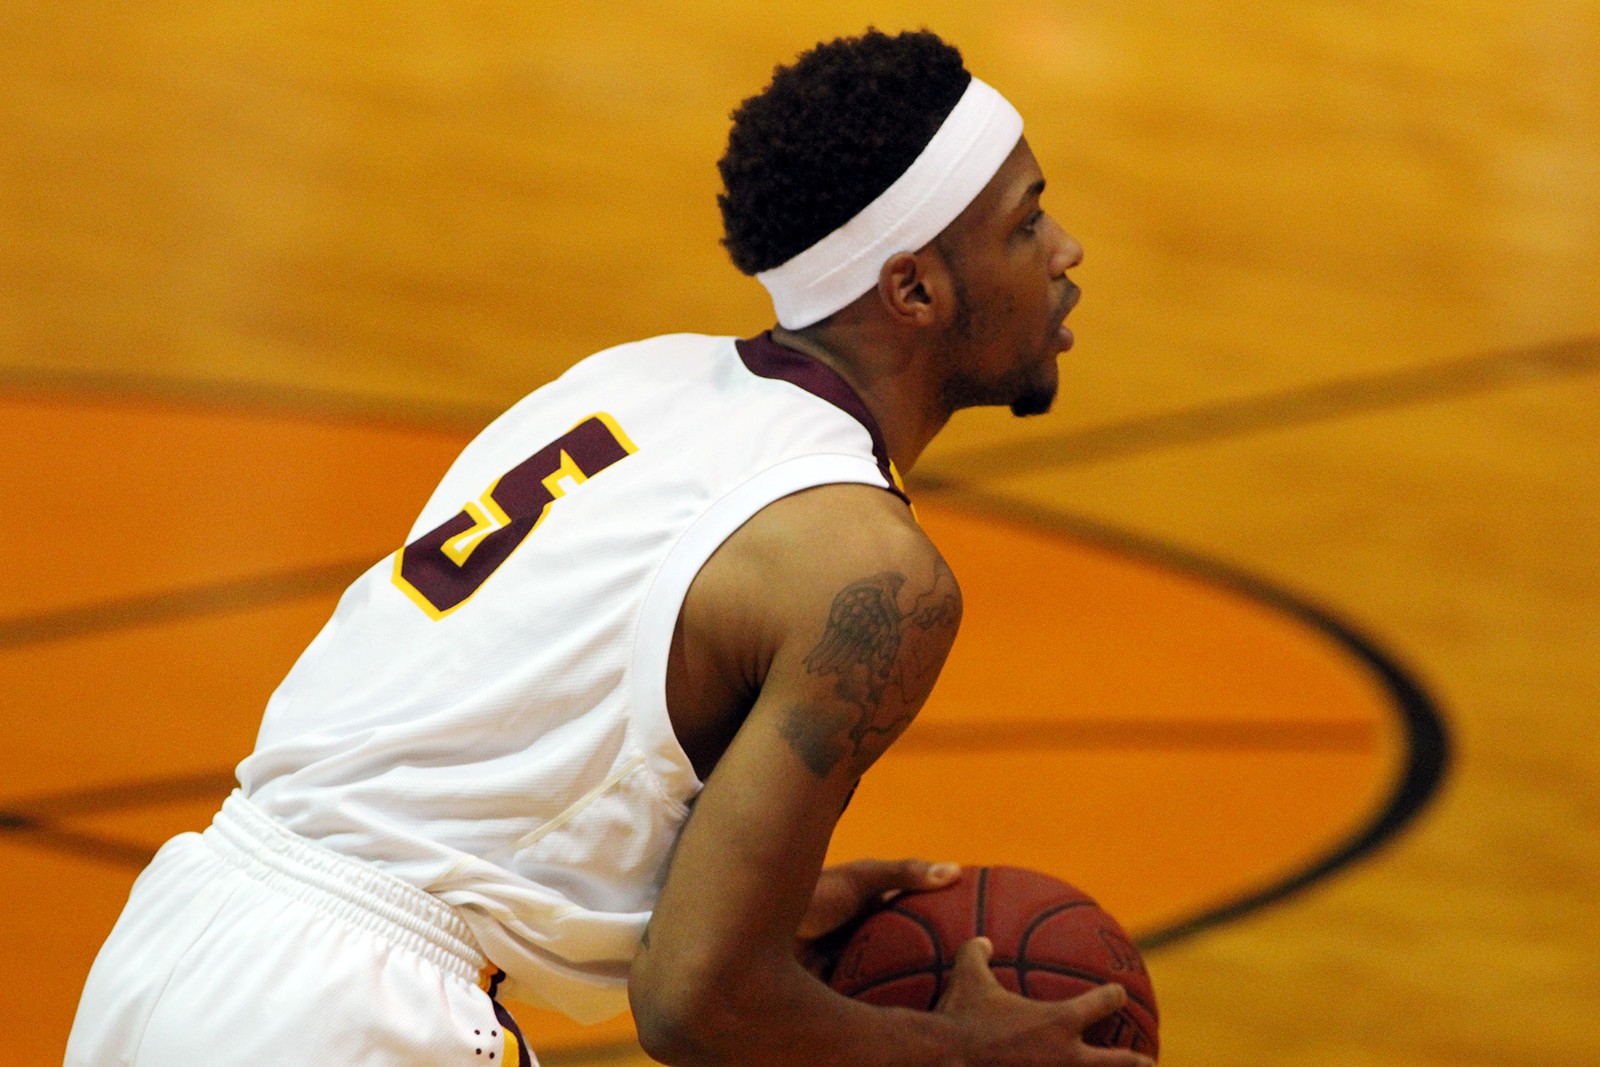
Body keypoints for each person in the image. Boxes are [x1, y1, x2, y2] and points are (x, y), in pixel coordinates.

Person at [66, 27, 1148, 1067]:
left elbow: (490, 764)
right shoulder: (871, 571)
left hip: (175, 940)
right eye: (1024, 224)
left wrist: (727, 902)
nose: (1064, 251)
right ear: (912, 287)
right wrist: (959, 1053)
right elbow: (696, 1008)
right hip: (356, 1017)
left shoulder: (626, 383)